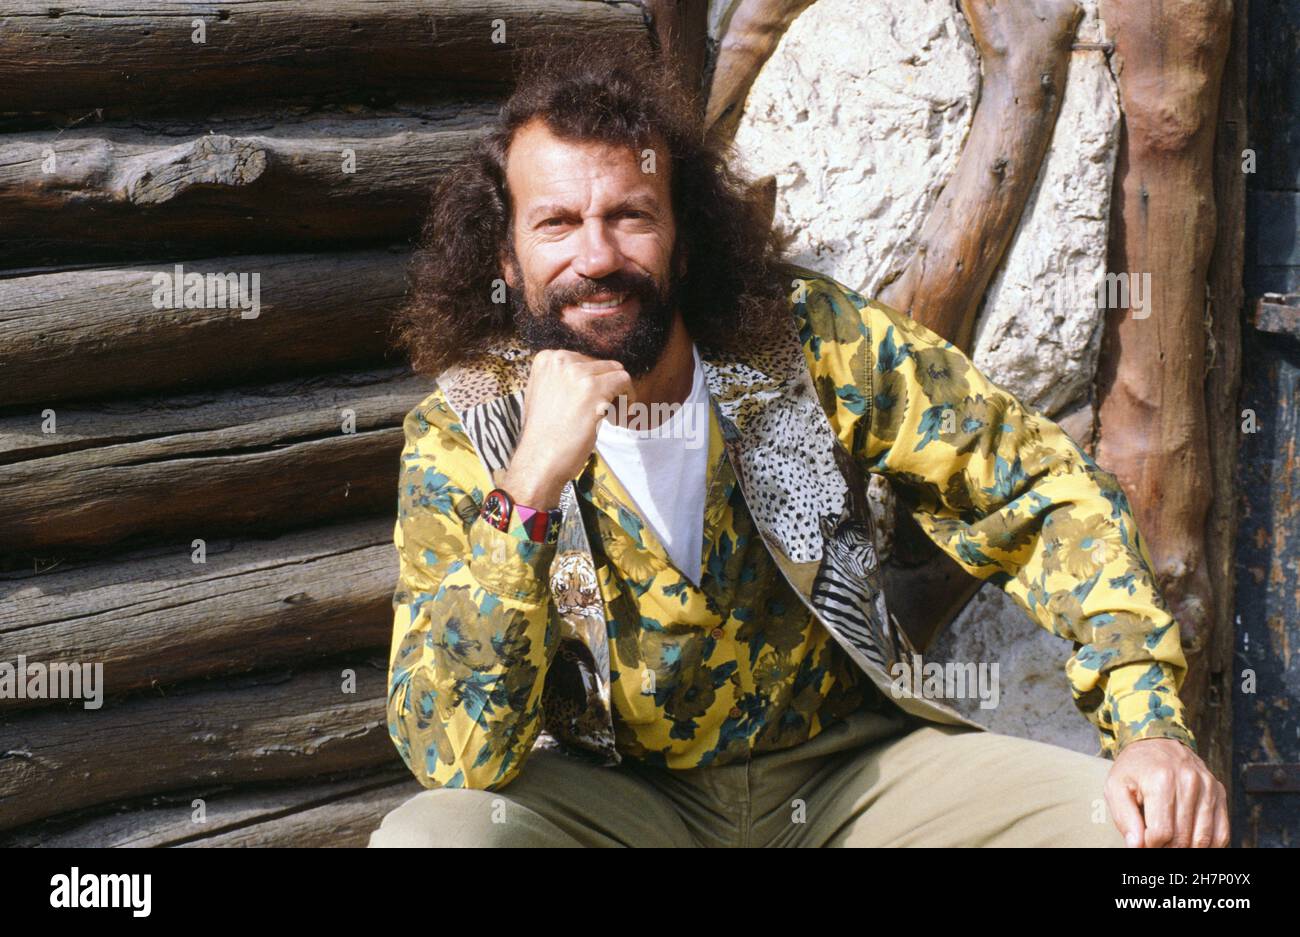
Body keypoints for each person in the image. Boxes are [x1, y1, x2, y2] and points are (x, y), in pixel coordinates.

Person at [368, 38, 1228, 848]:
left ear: (682, 236)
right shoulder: (464, 432)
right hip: (626, 806)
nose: (597, 255)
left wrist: (1149, 726)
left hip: (852, 778)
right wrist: (530, 482)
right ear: (507, 260)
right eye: (556, 224)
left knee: (1152, 849)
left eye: (630, 215)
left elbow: (1037, 486)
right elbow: (456, 758)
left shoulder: (802, 342)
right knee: (427, 838)